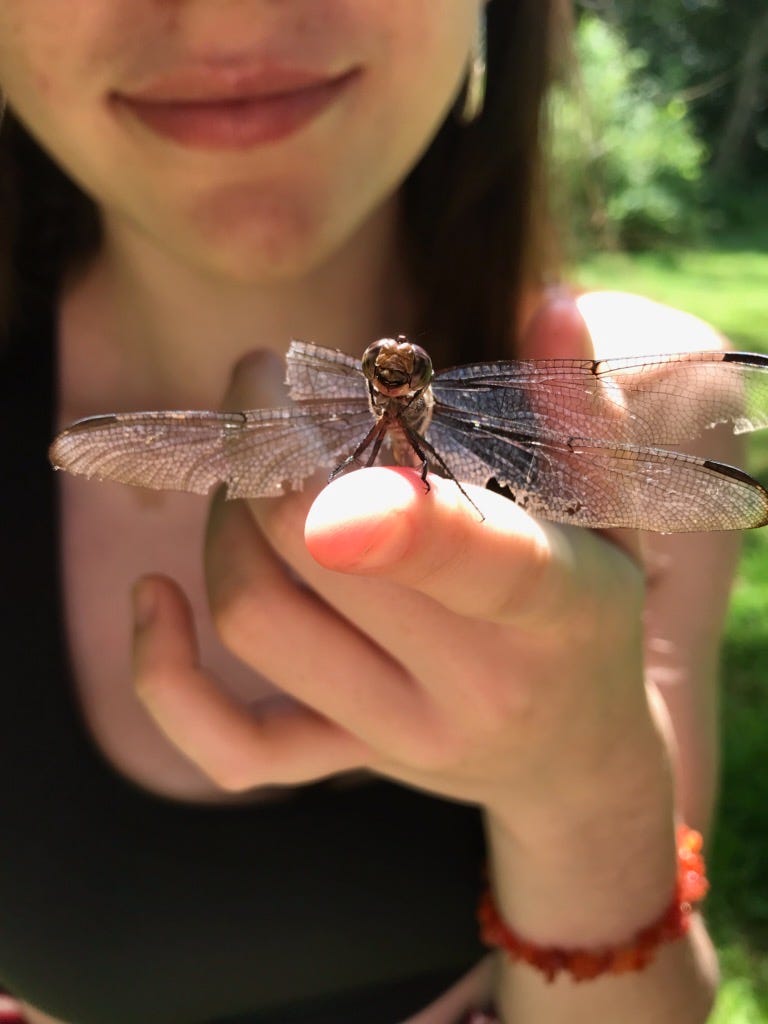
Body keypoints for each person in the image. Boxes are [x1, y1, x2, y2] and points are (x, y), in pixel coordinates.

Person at [0, 2, 734, 1022]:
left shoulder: (636, 406)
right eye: (382, 381)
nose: (228, 16)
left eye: (407, 379)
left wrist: (585, 782)